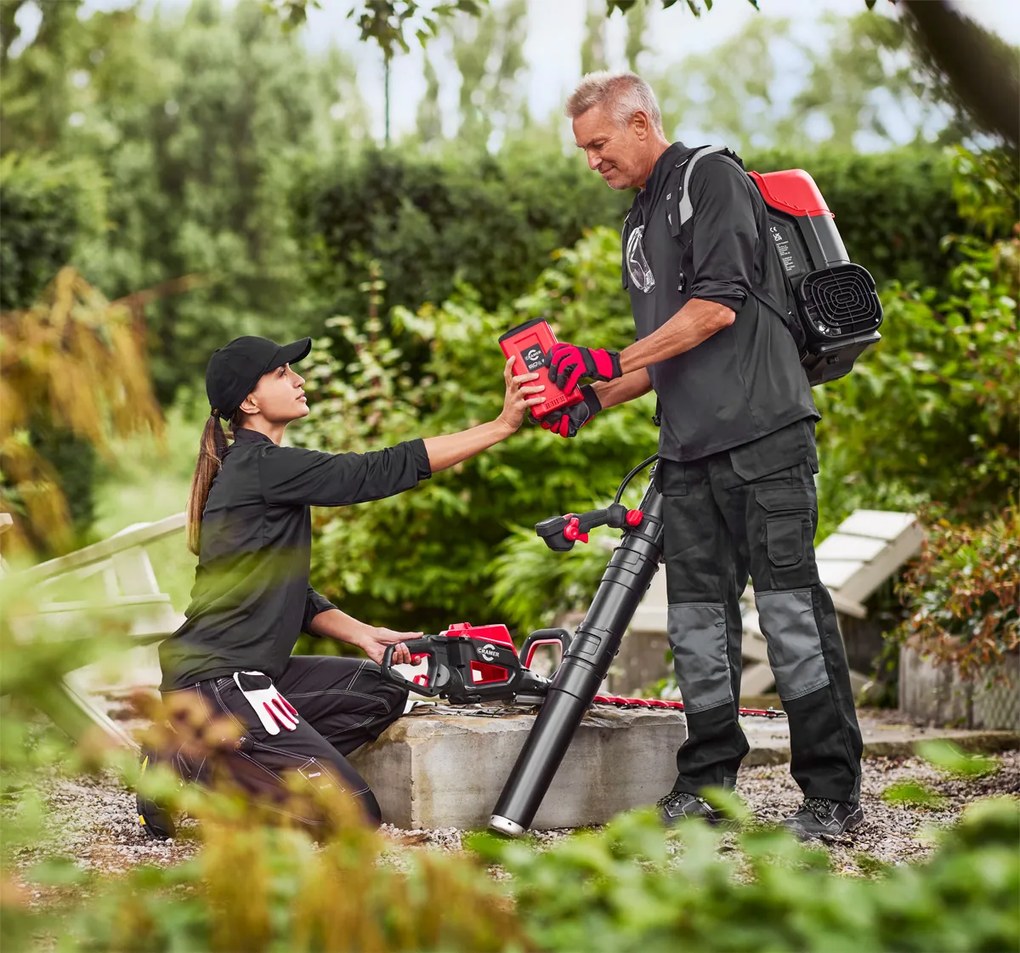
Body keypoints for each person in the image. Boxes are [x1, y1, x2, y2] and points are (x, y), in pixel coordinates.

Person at [540, 71, 864, 840]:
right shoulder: (638, 220)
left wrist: (602, 362)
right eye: (582, 149)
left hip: (763, 434)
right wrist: (588, 397)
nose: (591, 161)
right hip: (687, 450)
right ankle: (708, 788)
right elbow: (661, 352)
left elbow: (716, 306)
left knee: (788, 612)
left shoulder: (708, 178)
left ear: (642, 122)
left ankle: (831, 794)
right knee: (695, 624)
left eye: (599, 144)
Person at [137, 334, 544, 839]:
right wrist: (501, 426)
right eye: (283, 373)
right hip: (219, 683)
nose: (299, 379)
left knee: (381, 690)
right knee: (354, 817)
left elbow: (293, 594)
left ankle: (247, 756)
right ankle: (190, 765)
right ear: (249, 401)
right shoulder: (261, 466)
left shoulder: (260, 471)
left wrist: (362, 633)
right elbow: (374, 471)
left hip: (253, 675)